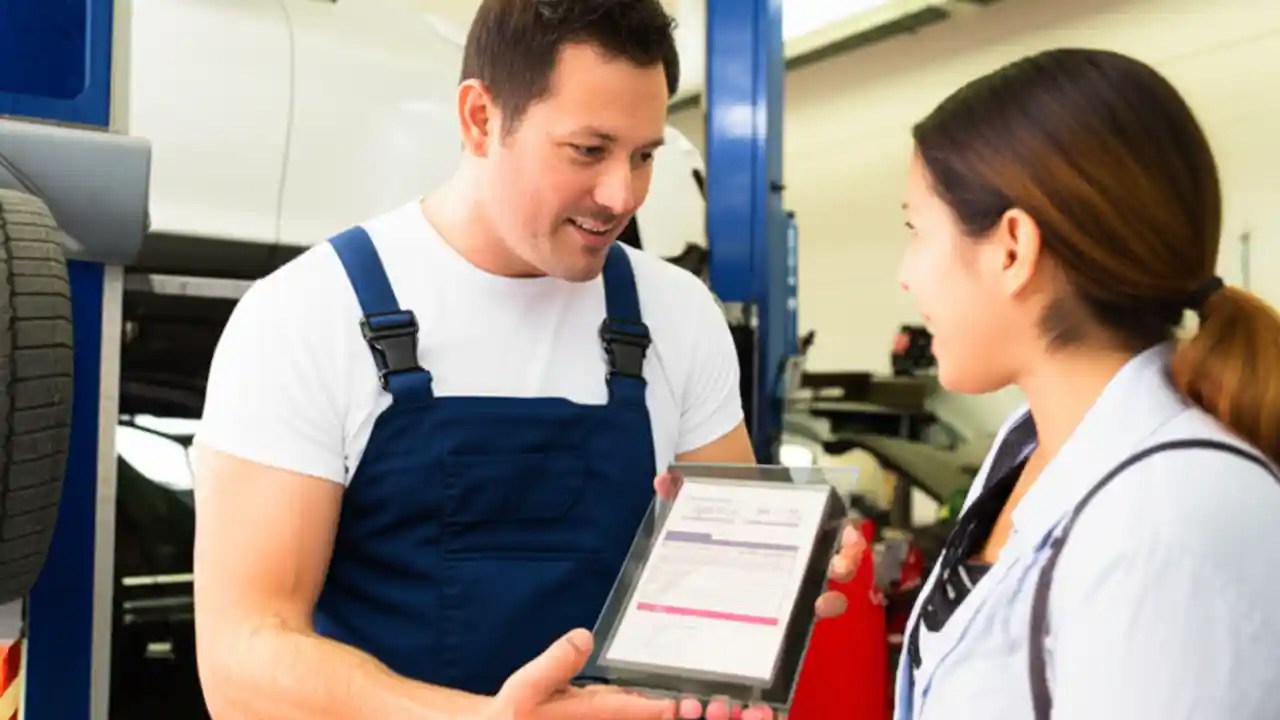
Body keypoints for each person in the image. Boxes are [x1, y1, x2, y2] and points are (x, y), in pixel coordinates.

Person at [190, 1, 860, 719]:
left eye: (643, 155)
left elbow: (719, 582)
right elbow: (243, 659)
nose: (621, 196)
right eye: (588, 150)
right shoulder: (309, 313)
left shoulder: (677, 315)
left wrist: (777, 573)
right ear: (480, 118)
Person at [892, 47, 1280, 719]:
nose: (906, 274)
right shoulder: (1032, 449)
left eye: (916, 231)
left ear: (1013, 248)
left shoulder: (1171, 521)